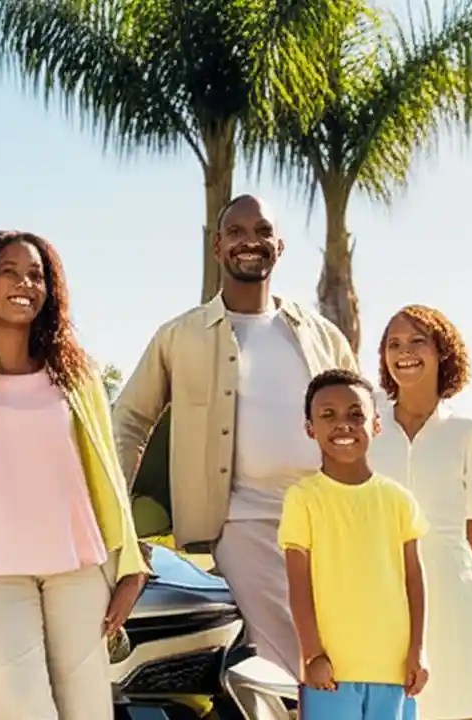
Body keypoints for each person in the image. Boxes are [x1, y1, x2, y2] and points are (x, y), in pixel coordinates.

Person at [0, 230, 150, 720]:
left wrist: (130, 570)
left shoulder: (78, 379)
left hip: (78, 571)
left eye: (36, 275)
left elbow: (106, 476)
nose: (25, 284)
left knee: (87, 707)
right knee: (22, 705)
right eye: (9, 272)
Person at [111, 194, 357, 676]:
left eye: (263, 232)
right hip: (241, 521)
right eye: (237, 232)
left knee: (342, 649)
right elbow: (130, 418)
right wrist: (114, 510)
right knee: (291, 658)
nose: (250, 242)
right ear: (217, 245)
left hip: (328, 517)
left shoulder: (322, 334)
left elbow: (363, 420)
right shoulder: (180, 335)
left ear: (279, 246)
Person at [368, 305, 472, 719]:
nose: (404, 352)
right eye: (394, 344)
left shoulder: (467, 431)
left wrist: (458, 584)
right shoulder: (369, 426)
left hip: (452, 588)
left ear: (443, 352)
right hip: (380, 583)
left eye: (417, 341)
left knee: (462, 703)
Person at [280, 369, 429, 719]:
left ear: (376, 424)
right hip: (331, 673)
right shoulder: (302, 498)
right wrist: (312, 654)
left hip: (394, 671)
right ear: (310, 428)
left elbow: (415, 582)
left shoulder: (398, 500)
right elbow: (299, 586)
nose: (343, 425)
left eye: (355, 414)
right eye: (328, 415)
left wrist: (418, 652)